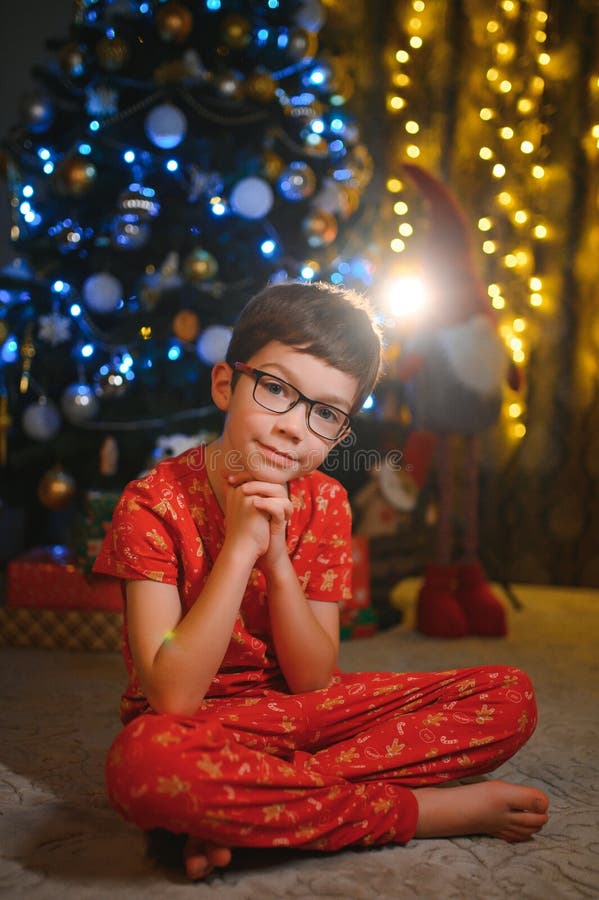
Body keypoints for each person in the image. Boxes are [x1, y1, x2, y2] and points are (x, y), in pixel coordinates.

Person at [93, 281, 549, 882]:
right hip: (199, 725)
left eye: (327, 413)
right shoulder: (151, 505)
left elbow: (313, 678)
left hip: (308, 716)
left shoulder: (327, 501)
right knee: (146, 764)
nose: (294, 428)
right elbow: (172, 698)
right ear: (226, 384)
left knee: (509, 695)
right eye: (277, 389)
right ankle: (417, 812)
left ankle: (241, 808)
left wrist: (277, 563)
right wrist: (240, 550)